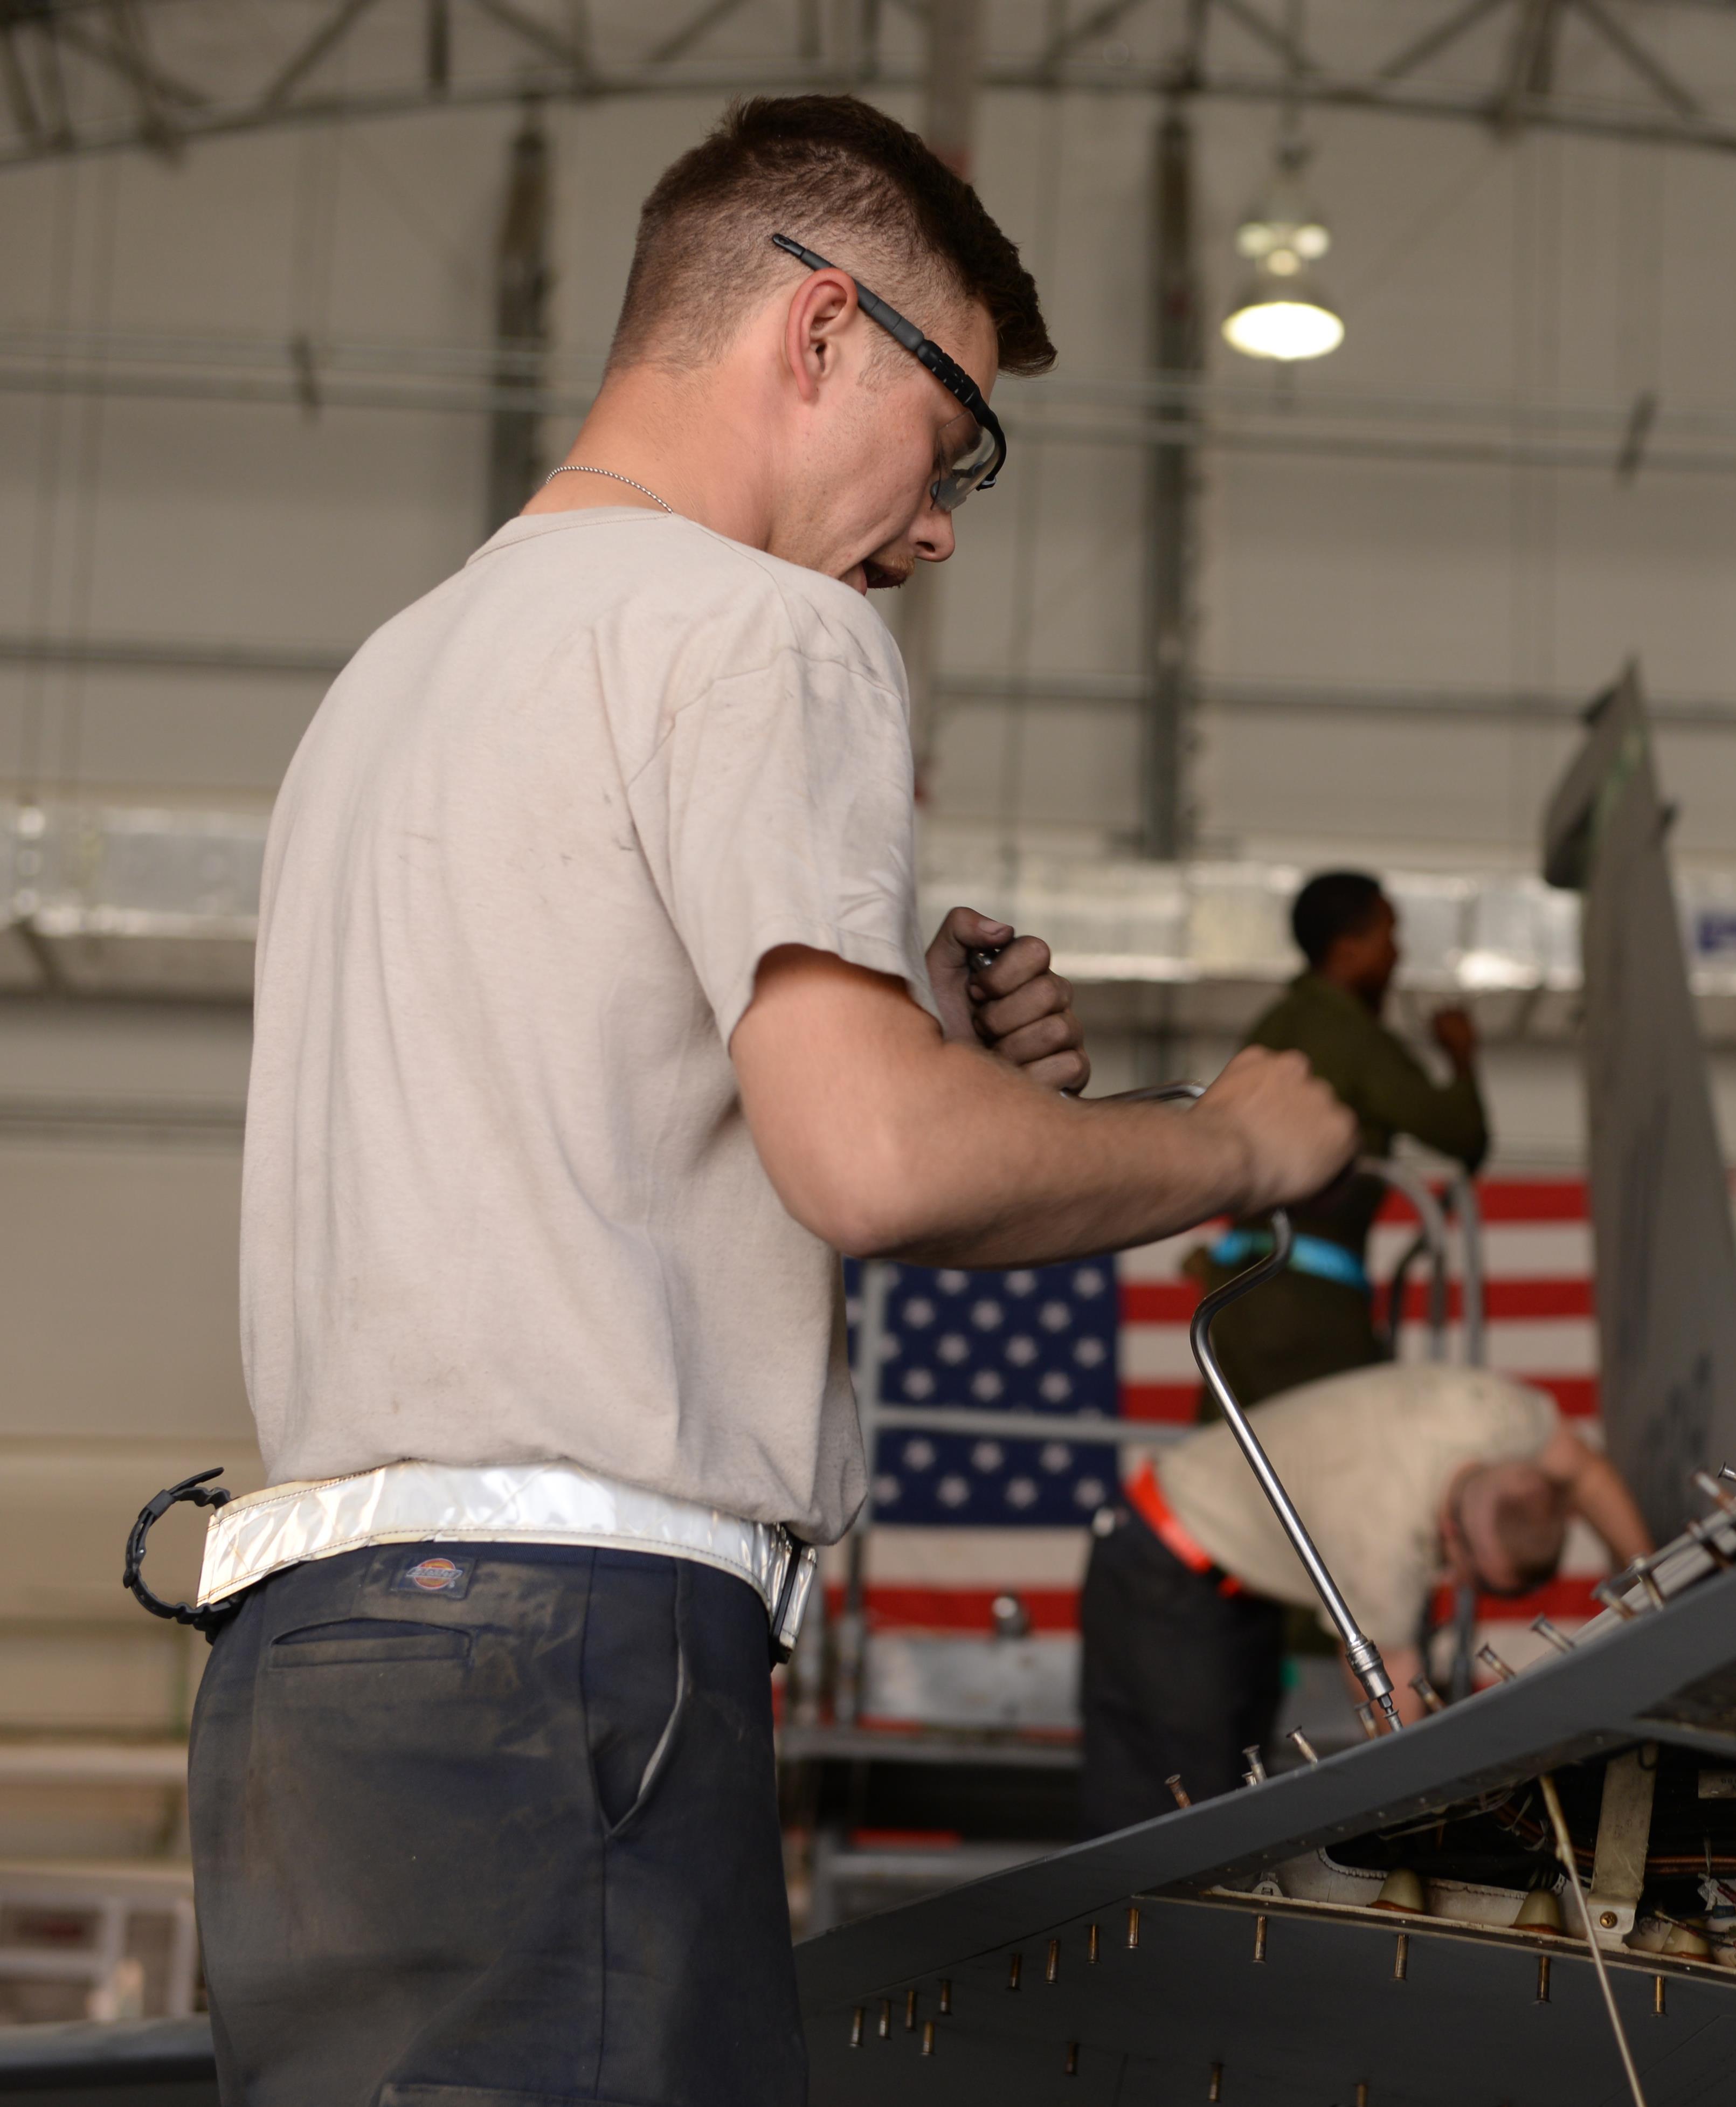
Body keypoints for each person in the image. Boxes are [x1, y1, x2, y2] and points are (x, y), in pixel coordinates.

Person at [188, 97, 1354, 2107]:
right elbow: (876, 1161)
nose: (936, 528)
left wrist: (935, 1057)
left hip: (317, 1665)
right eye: (953, 437)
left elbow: (629, 1128)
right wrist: (1236, 1142)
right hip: (572, 1659)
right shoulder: (764, 629)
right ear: (818, 333)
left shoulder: (398, 675)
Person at [1076, 1362, 1652, 1835]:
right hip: (1164, 1573)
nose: (1464, 1590)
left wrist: (1652, 1593)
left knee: (1234, 1787)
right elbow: (1391, 1705)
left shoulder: (1491, 1413)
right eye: (1475, 1580)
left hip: (1233, 1577)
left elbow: (1588, 1475)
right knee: (1173, 1815)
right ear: (1453, 1538)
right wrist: (1444, 1815)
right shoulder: (1381, 1534)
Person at [1198, 871, 1490, 1408]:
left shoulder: (1271, 1024)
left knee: (1231, 1468)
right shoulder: (1354, 1038)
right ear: (1349, 951)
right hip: (1309, 1307)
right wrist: (1462, 1056)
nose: (1397, 955)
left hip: (1231, 1293)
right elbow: (1463, 1135)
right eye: (1388, 937)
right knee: (1341, 1463)